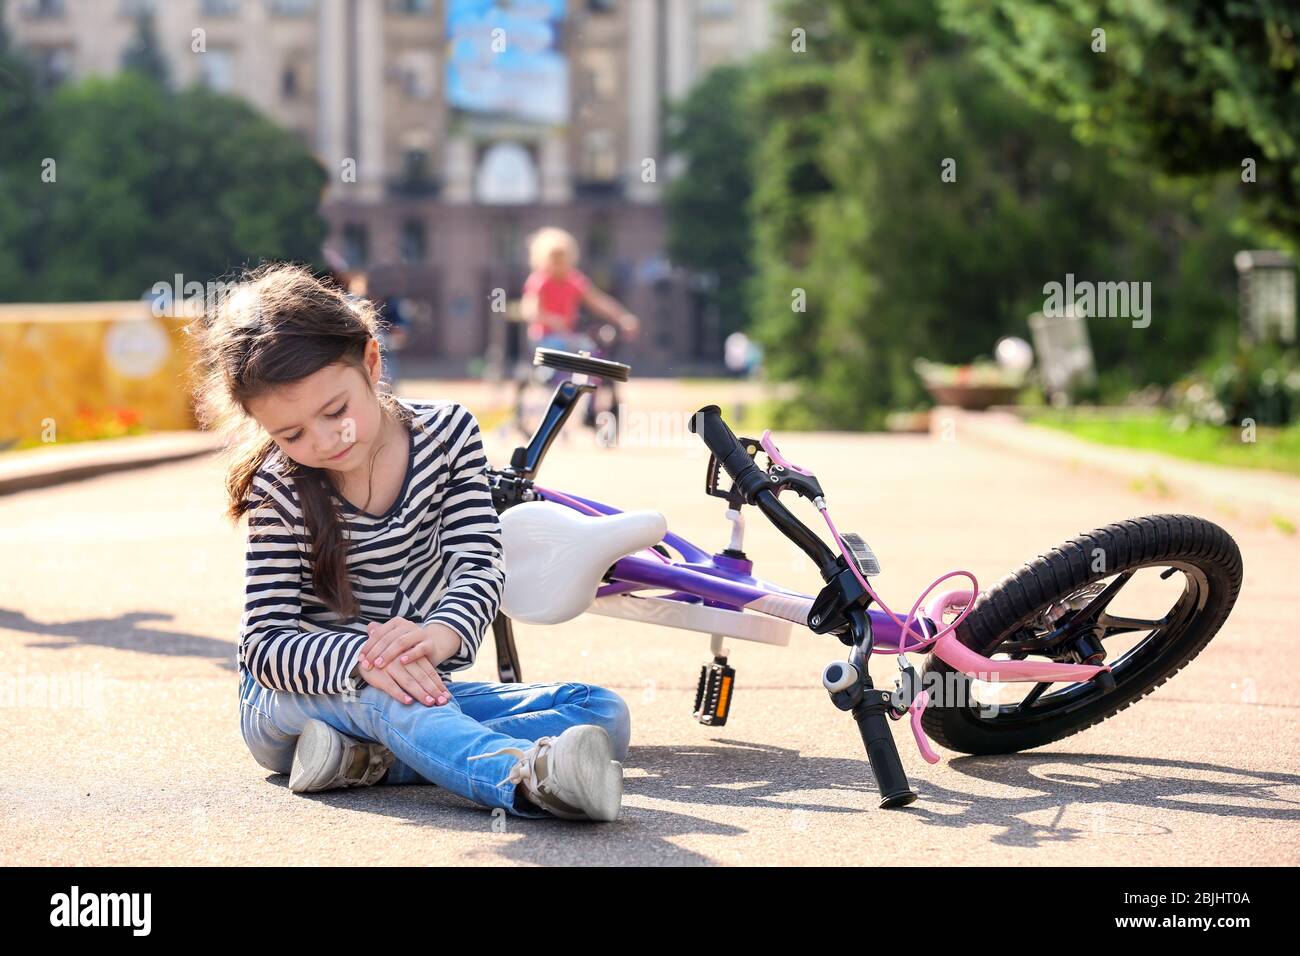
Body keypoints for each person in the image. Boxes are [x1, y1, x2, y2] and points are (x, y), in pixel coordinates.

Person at [188, 262, 631, 822]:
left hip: (414, 684)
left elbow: (479, 562)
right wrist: (362, 659)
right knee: (387, 697)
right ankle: (526, 777)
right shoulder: (280, 486)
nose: (324, 442)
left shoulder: (448, 436)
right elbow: (265, 644)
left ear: (371, 362)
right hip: (288, 702)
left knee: (599, 712)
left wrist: (438, 636)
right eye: (291, 433)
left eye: (335, 412)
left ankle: (363, 760)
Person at [517, 227, 639, 430]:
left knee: (597, 358)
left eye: (563, 257)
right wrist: (553, 320)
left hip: (569, 338)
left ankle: (591, 410)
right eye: (554, 258)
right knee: (568, 354)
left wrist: (623, 317)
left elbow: (598, 301)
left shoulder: (574, 280)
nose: (559, 263)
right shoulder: (539, 281)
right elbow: (530, 310)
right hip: (545, 339)